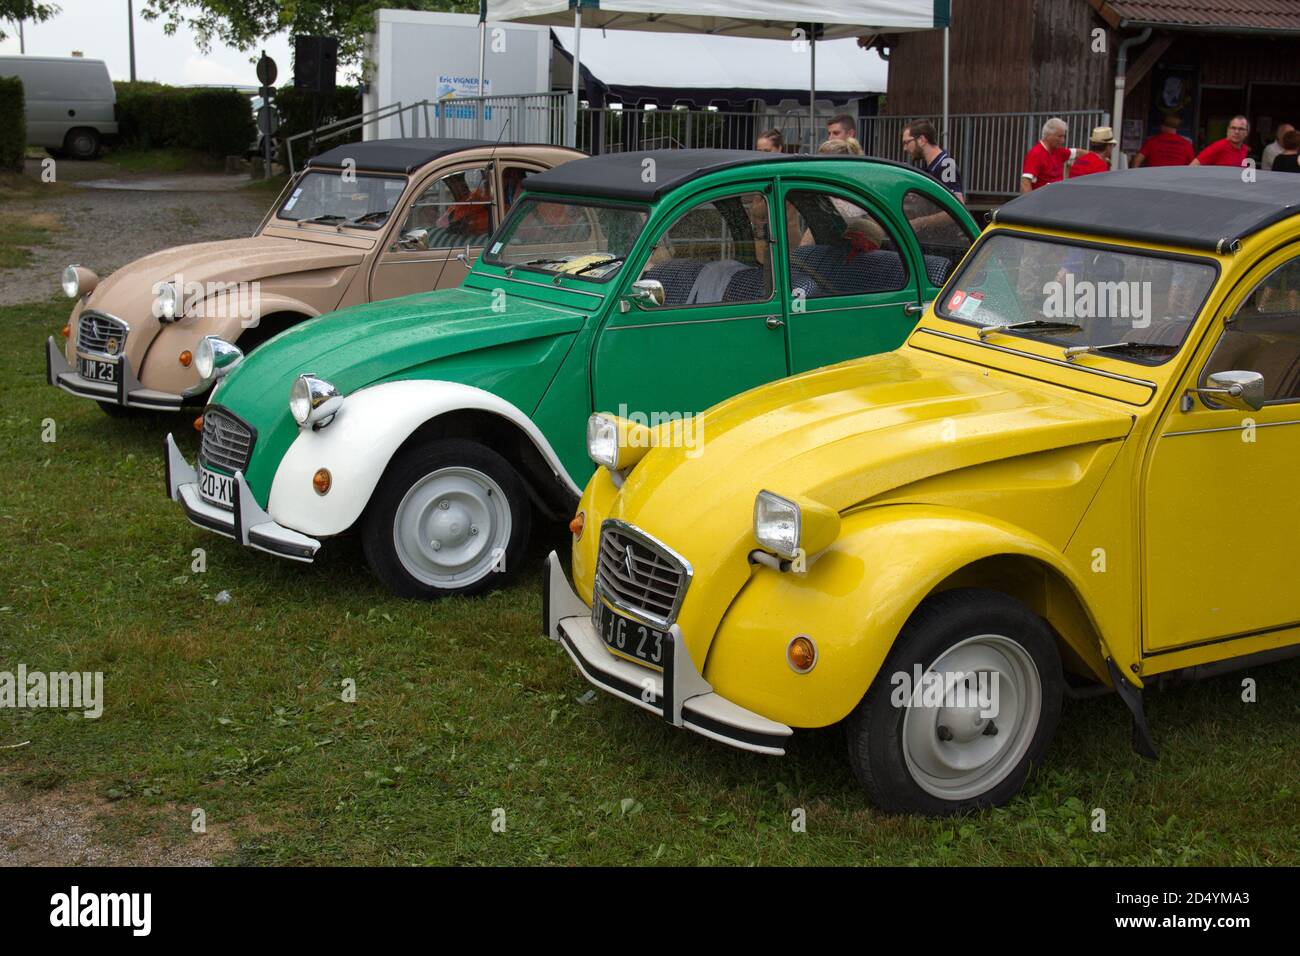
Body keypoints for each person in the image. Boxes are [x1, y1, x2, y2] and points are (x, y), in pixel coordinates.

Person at [901, 119, 965, 203]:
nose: (905, 148)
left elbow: (957, 207)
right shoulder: (926, 167)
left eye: (907, 142)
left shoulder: (947, 166)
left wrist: (923, 217)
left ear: (921, 140)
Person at [1021, 117, 1077, 192]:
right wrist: (1030, 202)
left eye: (1064, 136)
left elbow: (1078, 152)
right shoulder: (1036, 153)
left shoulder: (1058, 151)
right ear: (1048, 135)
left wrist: (1094, 157)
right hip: (1042, 200)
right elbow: (1025, 182)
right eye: (1059, 136)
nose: (1063, 140)